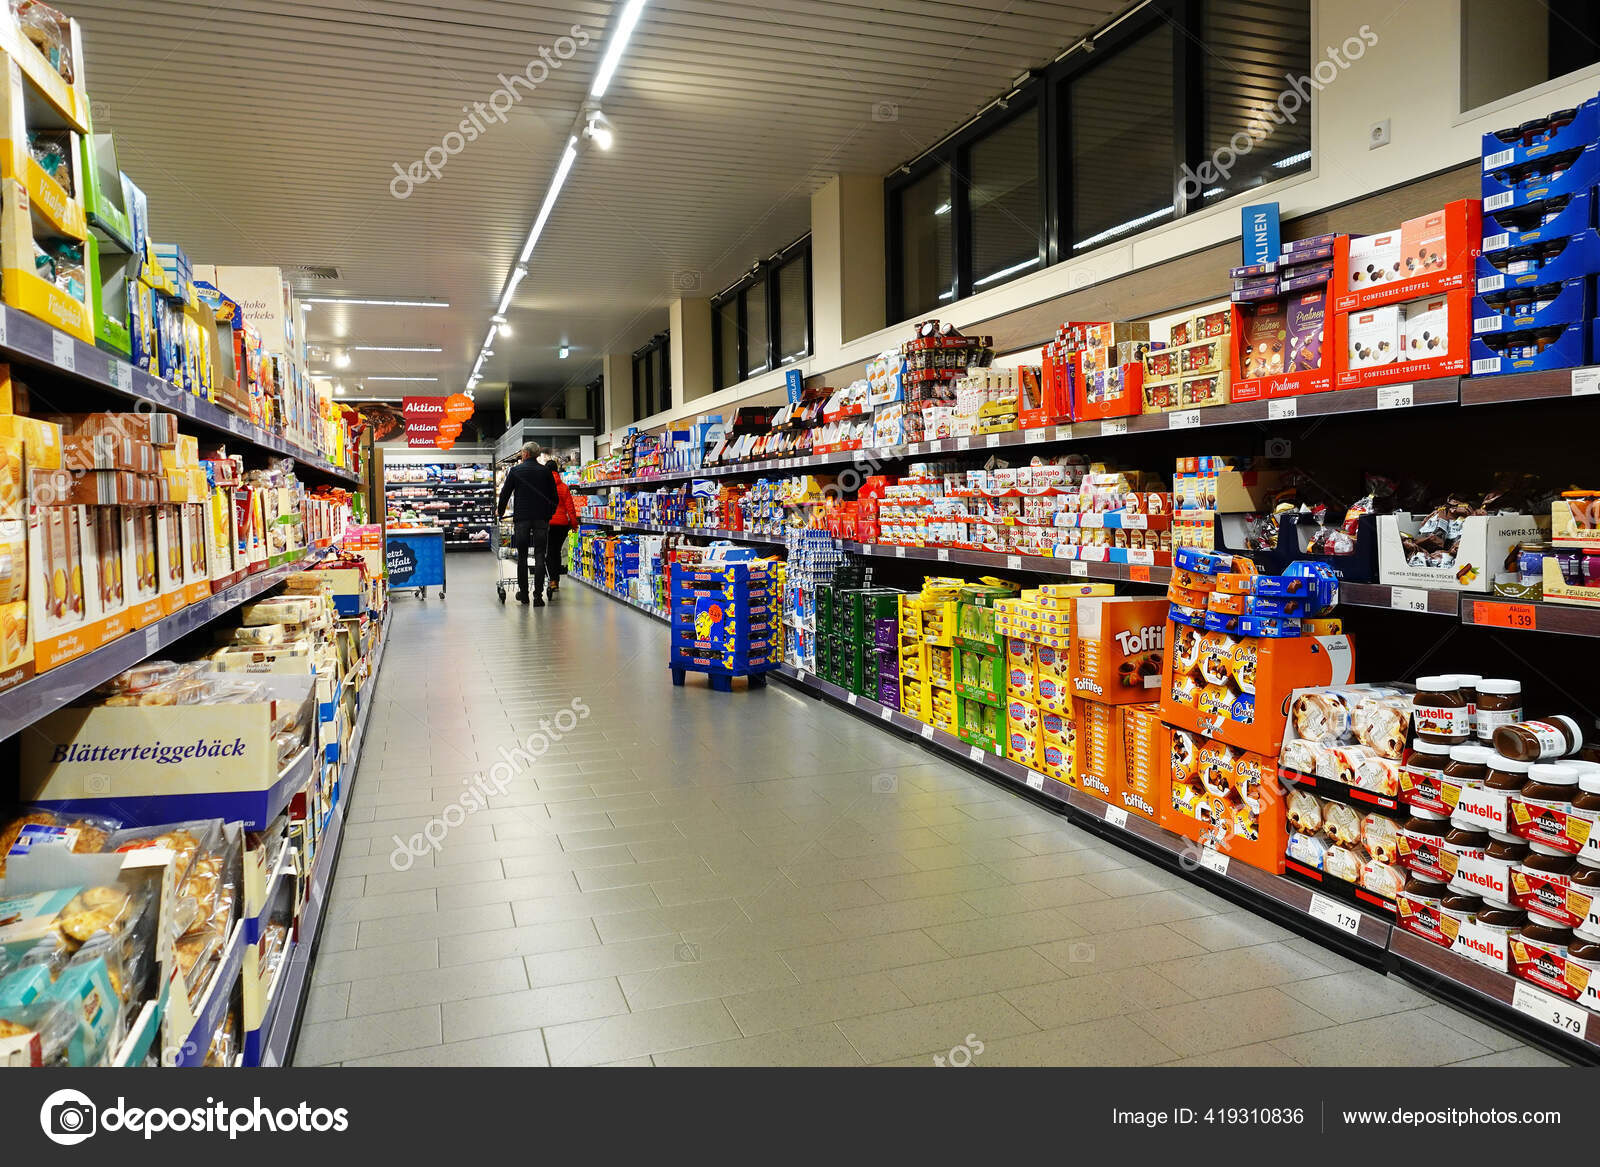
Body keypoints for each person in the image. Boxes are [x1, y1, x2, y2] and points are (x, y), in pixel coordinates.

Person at [496, 442, 559, 605]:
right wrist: (548, 514)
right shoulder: (545, 471)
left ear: (525, 454)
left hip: (522, 519)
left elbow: (505, 494)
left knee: (522, 556)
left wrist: (500, 511)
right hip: (541, 519)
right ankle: (538, 596)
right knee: (540, 555)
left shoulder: (516, 471)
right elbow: (554, 497)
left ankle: (524, 594)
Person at [546, 459, 579, 596]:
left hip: (547, 523)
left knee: (549, 552)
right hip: (562, 525)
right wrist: (574, 524)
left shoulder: (543, 486)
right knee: (557, 551)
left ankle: (552, 580)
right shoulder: (564, 487)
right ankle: (556, 581)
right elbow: (570, 508)